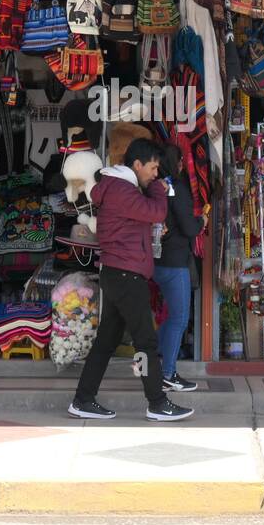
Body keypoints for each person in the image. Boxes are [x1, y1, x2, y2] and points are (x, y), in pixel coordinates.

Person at [69, 138, 194, 422]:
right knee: (146, 342)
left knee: (106, 342)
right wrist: (158, 191)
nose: (155, 174)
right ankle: (157, 402)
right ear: (136, 164)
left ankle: (83, 399)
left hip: (118, 273)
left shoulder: (120, 188)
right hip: (126, 275)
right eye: (152, 168)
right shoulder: (122, 189)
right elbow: (157, 212)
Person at [154, 144, 206, 393]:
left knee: (173, 316)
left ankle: (156, 361)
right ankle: (168, 373)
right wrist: (202, 220)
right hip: (175, 261)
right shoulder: (178, 189)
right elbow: (190, 228)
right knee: (179, 318)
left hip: (157, 261)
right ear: (178, 164)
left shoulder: (156, 188)